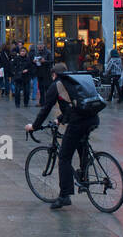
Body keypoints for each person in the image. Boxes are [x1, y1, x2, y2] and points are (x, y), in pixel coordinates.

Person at [26, 62, 105, 210]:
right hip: (93, 117)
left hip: (78, 122)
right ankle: (84, 177)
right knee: (81, 143)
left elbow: (45, 109)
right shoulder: (74, 82)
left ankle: (64, 196)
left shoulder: (56, 85)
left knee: (64, 157)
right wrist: (60, 119)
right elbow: (73, 106)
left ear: (54, 74)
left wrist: (34, 126)